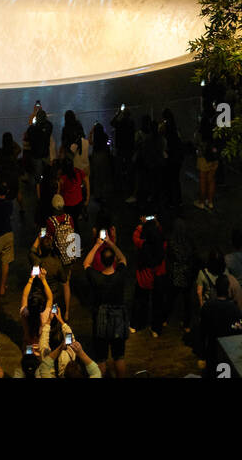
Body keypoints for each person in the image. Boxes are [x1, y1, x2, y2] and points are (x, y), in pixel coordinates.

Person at [84, 233, 128, 377]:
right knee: (119, 357)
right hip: (118, 320)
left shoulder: (97, 278)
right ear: (113, 260)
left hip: (101, 321)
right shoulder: (120, 276)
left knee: (101, 359)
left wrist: (97, 245)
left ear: (101, 261)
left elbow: (86, 263)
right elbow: (123, 258)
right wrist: (111, 243)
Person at [196, 252, 242, 370]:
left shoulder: (208, 306)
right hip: (228, 347)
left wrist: (202, 355)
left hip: (212, 347)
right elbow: (240, 324)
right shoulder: (233, 308)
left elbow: (202, 332)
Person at [131, 216, 167, 337]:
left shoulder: (143, 244)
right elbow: (159, 232)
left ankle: (137, 324)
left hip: (144, 278)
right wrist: (156, 224)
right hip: (158, 278)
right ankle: (156, 328)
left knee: (140, 302)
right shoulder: (162, 244)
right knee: (158, 304)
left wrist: (142, 225)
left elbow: (135, 236)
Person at [166, 216, 196, 332]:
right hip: (188, 273)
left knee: (172, 297)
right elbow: (193, 254)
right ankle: (187, 324)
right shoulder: (189, 240)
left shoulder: (172, 241)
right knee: (187, 299)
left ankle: (165, 317)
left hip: (176, 274)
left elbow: (169, 257)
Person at [0, 131, 20, 209]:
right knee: (17, 192)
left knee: (3, 193)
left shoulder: (0, 151)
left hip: (2, 176)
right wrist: (11, 141)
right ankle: (22, 208)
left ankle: (4, 209)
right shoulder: (14, 151)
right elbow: (19, 148)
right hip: (13, 176)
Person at [110, 104, 135, 199]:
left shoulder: (120, 123)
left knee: (118, 168)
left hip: (120, 148)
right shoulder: (131, 123)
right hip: (129, 148)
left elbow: (112, 123)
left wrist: (117, 113)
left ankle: (119, 188)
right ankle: (130, 187)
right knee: (129, 167)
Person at [89, 122, 113, 208]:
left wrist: (91, 132)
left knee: (97, 177)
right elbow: (108, 144)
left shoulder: (95, 139)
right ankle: (104, 194)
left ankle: (97, 195)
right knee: (103, 175)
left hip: (96, 157)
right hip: (104, 157)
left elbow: (90, 142)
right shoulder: (105, 136)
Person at [57, 155, 85, 227]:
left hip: (68, 204)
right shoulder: (78, 172)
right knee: (75, 222)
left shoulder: (63, 178)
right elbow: (85, 178)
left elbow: (59, 190)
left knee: (69, 223)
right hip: (78, 201)